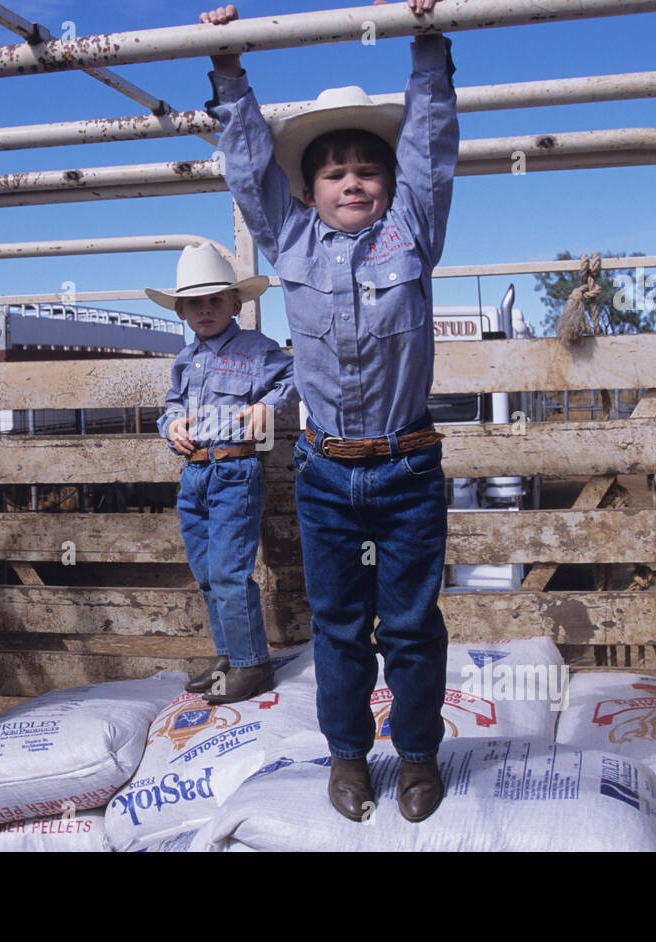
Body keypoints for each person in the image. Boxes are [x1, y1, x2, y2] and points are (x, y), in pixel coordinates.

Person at [200, 0, 458, 822]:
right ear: (307, 190)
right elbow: (247, 169)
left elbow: (430, 152)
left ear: (388, 185)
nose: (353, 180)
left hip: (408, 466)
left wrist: (428, 50)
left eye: (366, 169)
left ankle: (416, 756)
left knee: (411, 624)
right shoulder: (291, 240)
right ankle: (348, 758)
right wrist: (230, 69)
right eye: (334, 170)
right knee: (340, 628)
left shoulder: (412, 230)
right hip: (324, 471)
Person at [151, 243, 296, 704]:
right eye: (196, 302)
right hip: (193, 476)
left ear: (236, 304)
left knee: (230, 572)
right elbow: (173, 404)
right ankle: (229, 654)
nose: (206, 309)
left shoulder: (257, 349)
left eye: (216, 300)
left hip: (234, 469)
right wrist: (170, 425)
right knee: (207, 572)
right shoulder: (184, 359)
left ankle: (253, 664)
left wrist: (264, 407)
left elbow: (292, 379)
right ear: (182, 311)